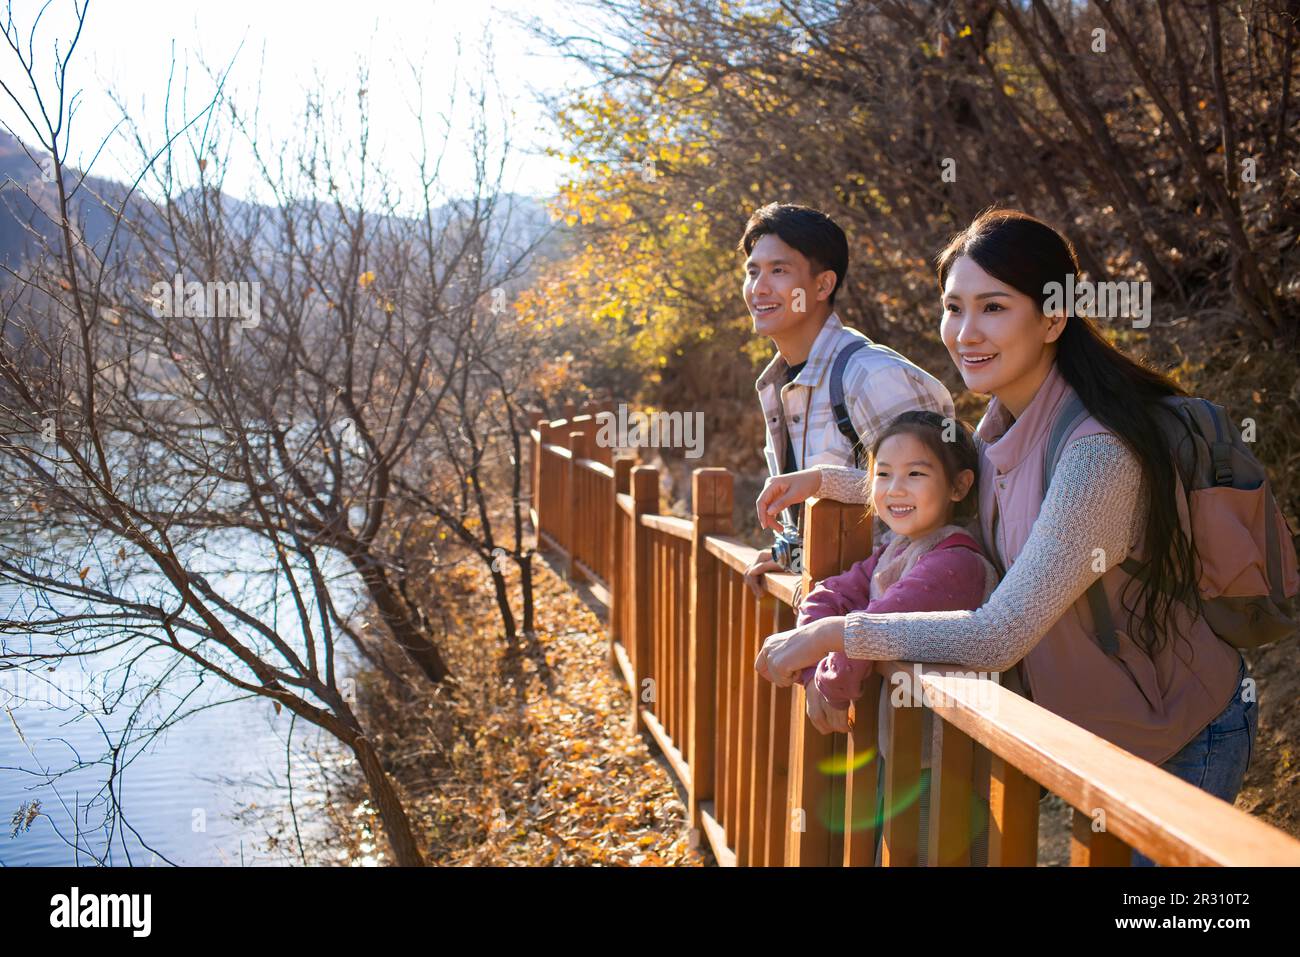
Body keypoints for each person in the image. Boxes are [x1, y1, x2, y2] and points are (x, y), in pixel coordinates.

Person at [754, 208, 1258, 867]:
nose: (965, 333)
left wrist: (834, 634)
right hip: (1095, 741)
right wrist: (830, 480)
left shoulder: (1096, 452)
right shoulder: (998, 421)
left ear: (1053, 318)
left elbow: (1001, 632)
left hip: (1182, 741)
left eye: (993, 307)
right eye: (953, 307)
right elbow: (948, 485)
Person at [794, 410, 999, 865]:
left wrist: (830, 680)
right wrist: (810, 668)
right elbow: (831, 592)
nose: (895, 489)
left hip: (948, 769)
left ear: (959, 486)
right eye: (882, 474)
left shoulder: (956, 563)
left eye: (916, 474)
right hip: (901, 755)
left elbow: (880, 621)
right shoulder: (896, 549)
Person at [738, 202, 953, 603]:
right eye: (753, 271)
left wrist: (820, 480)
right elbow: (840, 519)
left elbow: (937, 500)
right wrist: (795, 557)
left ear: (822, 286)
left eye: (778, 271)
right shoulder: (779, 383)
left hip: (892, 628)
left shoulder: (872, 377)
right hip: (839, 618)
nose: (759, 287)